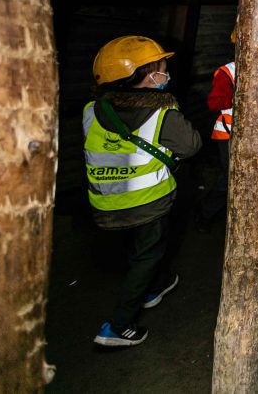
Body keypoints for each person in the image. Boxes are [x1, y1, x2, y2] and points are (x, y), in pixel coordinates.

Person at [85, 36, 201, 347]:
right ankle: (119, 326)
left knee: (136, 250)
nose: (166, 74)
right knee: (146, 256)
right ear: (146, 76)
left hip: (103, 203)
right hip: (147, 204)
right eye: (162, 69)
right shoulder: (162, 113)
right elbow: (190, 147)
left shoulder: (92, 110)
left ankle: (157, 284)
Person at [195, 26, 236, 231]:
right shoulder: (228, 71)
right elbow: (214, 102)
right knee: (230, 178)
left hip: (252, 135)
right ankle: (206, 213)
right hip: (228, 133)